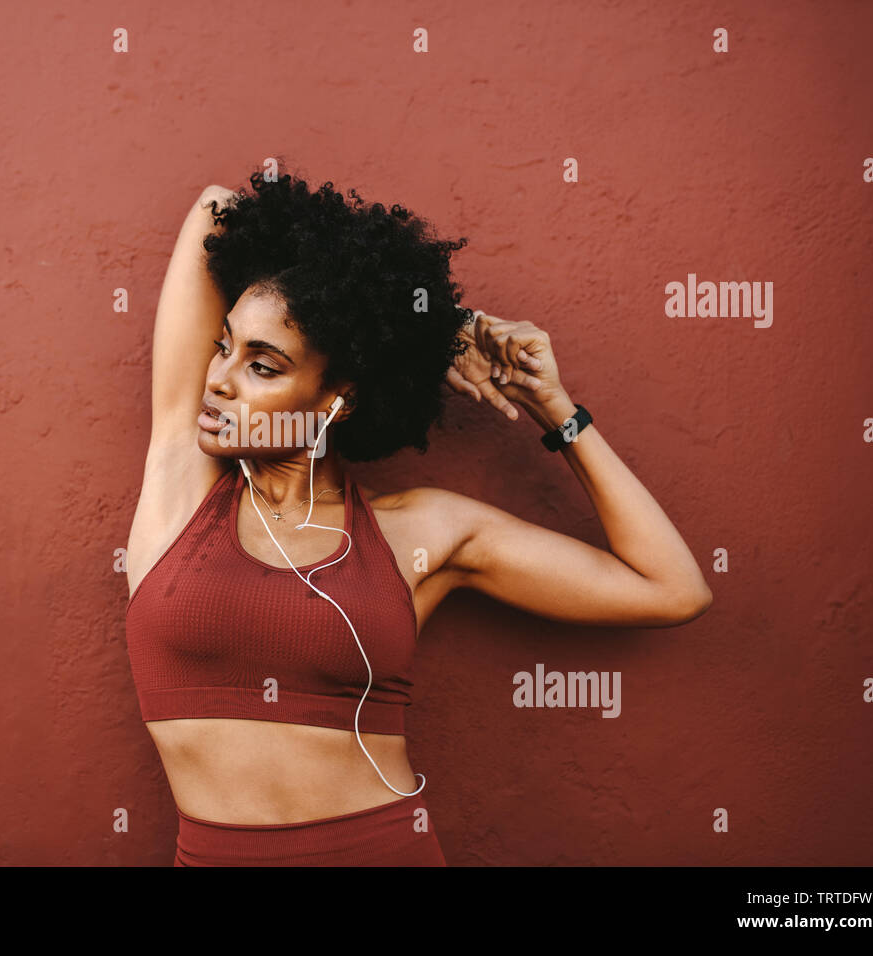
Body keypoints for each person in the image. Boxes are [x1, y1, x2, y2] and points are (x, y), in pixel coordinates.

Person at [124, 169, 712, 866]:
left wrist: (553, 409)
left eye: (264, 365)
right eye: (224, 345)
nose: (218, 379)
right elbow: (216, 206)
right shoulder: (181, 487)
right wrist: (434, 323)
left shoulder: (420, 534)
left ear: (337, 399)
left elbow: (672, 588)